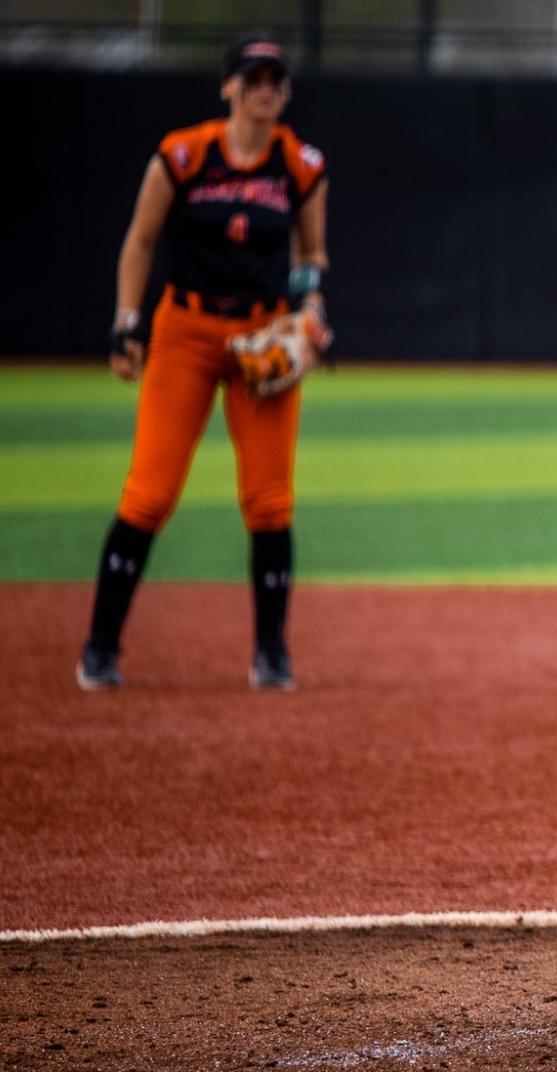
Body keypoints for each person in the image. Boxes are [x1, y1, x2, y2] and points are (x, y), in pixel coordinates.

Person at [76, 32, 330, 692]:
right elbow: (140, 240)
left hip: (261, 335)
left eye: (276, 78)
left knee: (270, 502)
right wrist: (126, 321)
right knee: (150, 493)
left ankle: (271, 652)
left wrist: (311, 315)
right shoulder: (183, 154)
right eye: (254, 77)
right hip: (184, 331)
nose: (266, 88)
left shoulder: (299, 165)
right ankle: (100, 647)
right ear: (228, 87)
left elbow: (308, 258)